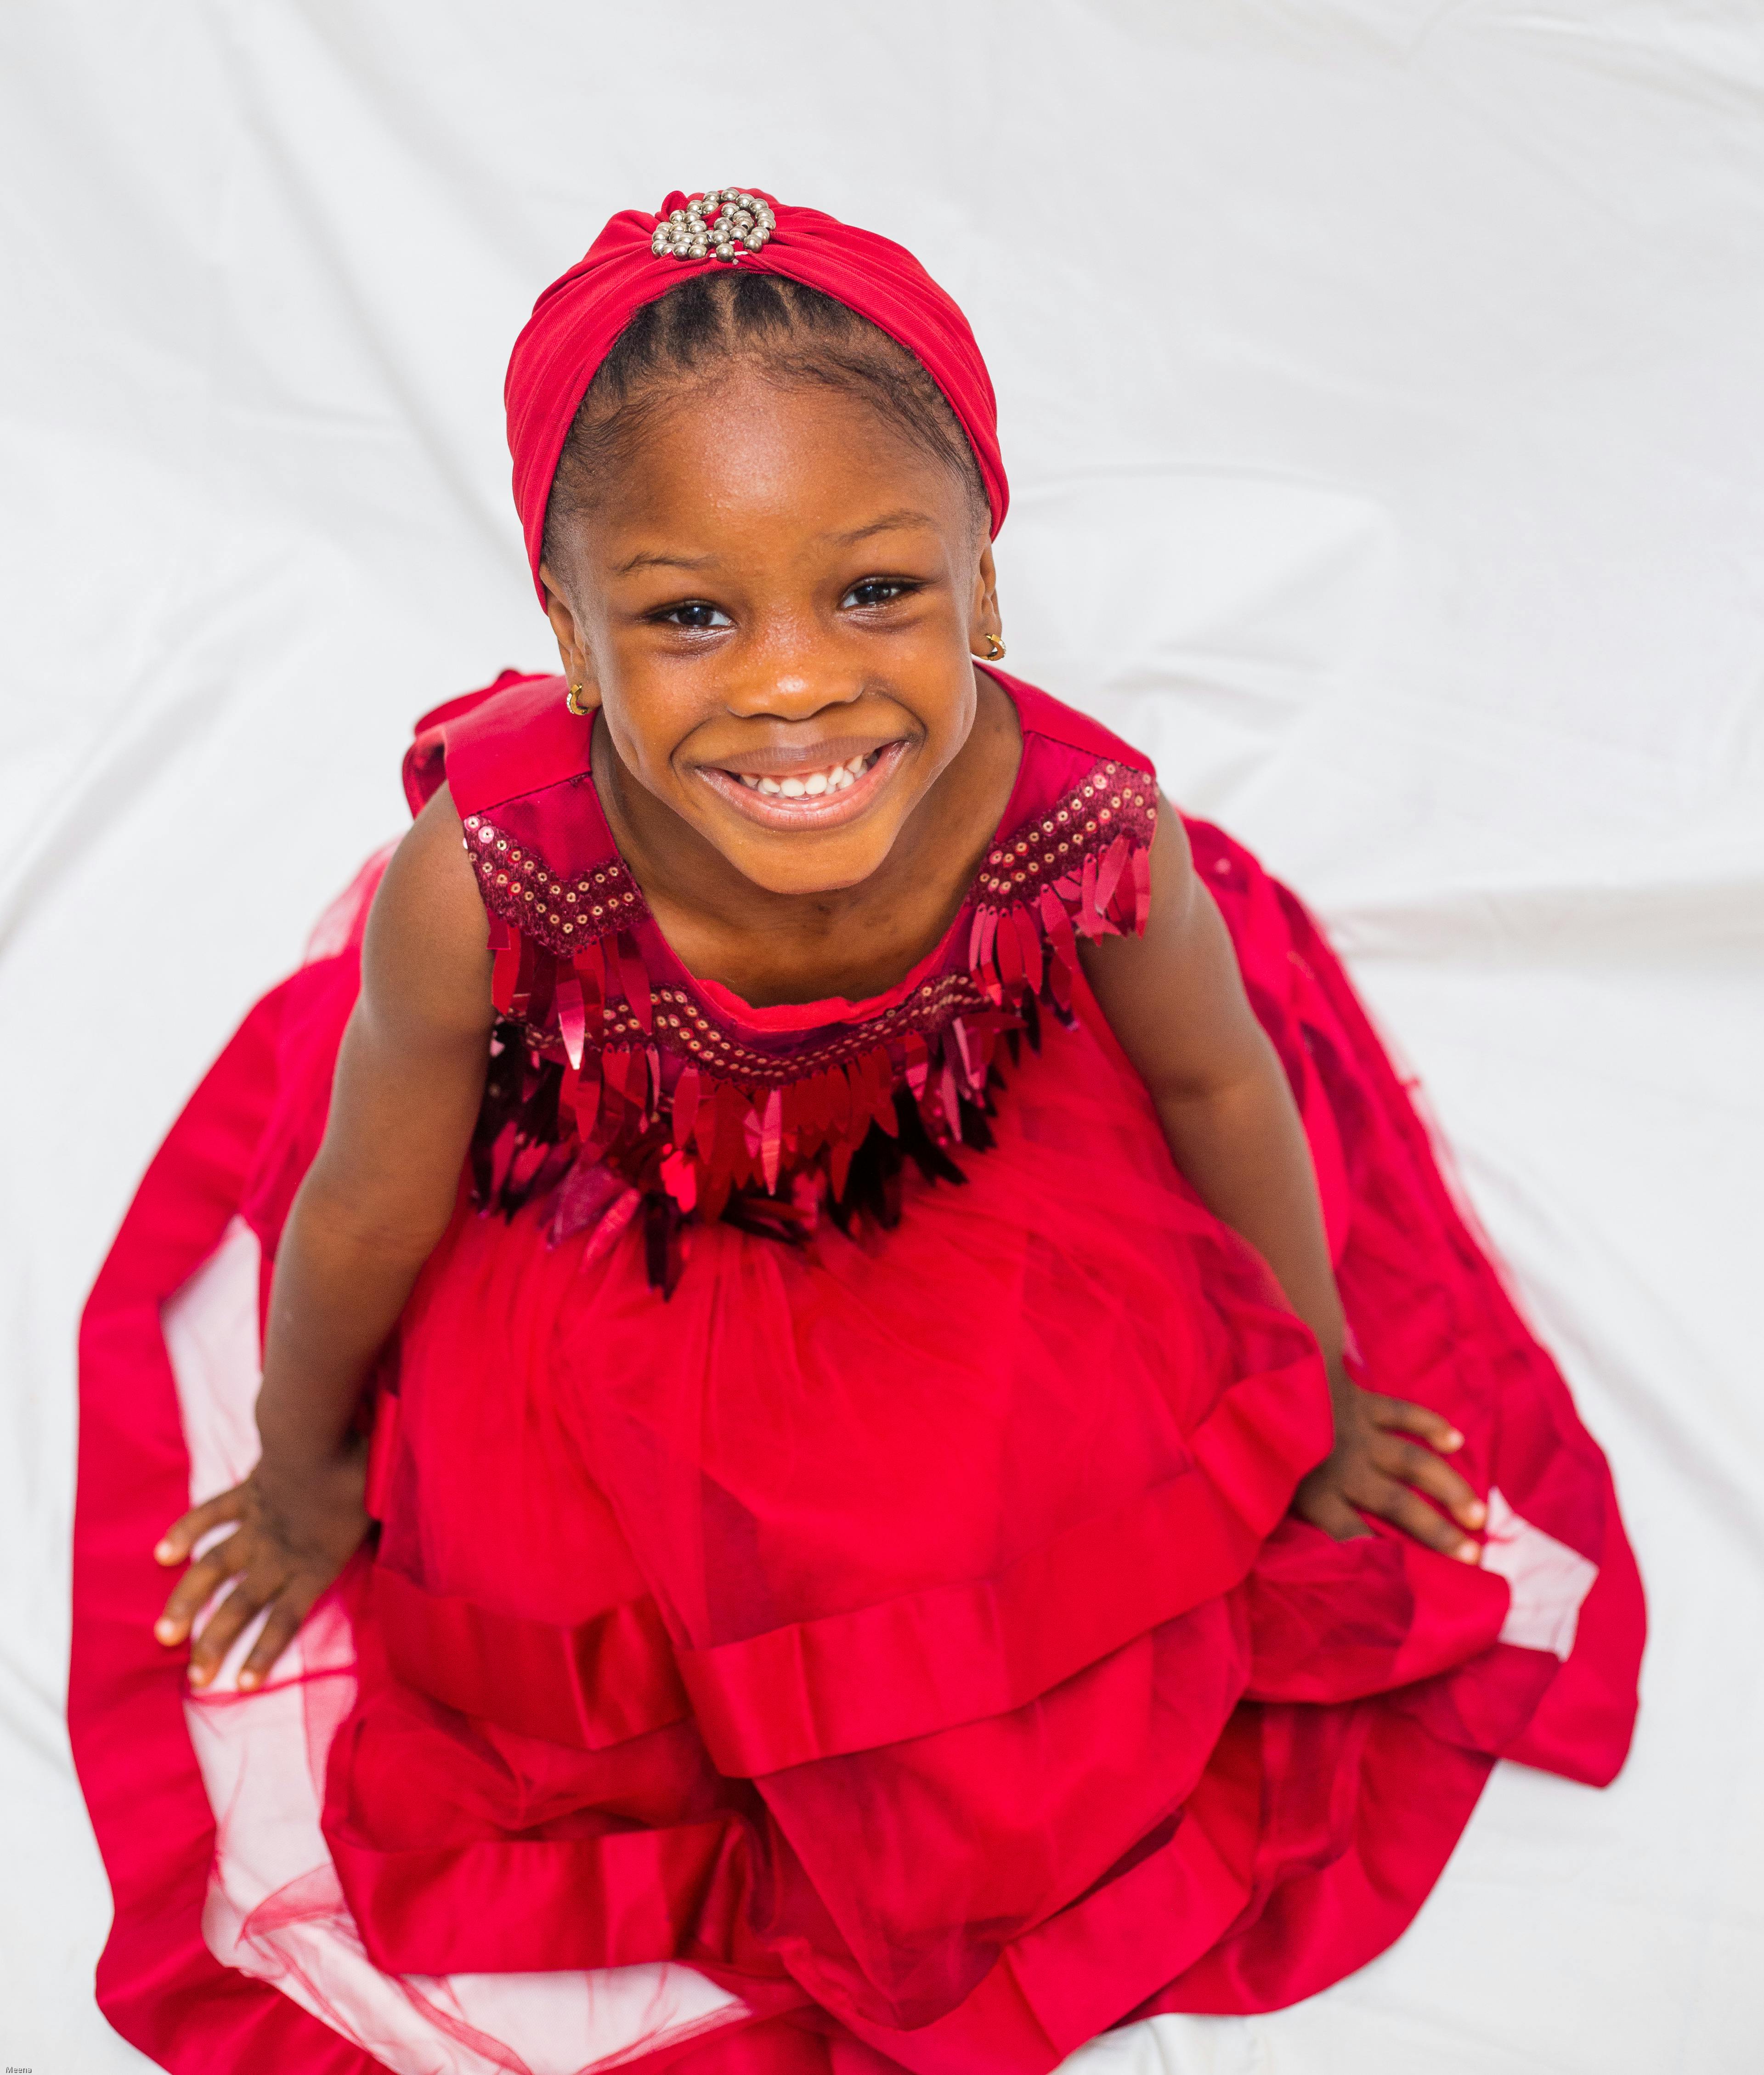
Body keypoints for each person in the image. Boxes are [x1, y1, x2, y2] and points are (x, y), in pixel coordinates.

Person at [69, 189, 1644, 2075]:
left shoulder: (1079, 819)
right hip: (610, 1213)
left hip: (960, 1163)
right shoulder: (484, 884)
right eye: (689, 615)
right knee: (595, 1610)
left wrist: (1301, 1389)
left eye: (875, 590)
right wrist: (312, 1459)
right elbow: (356, 1211)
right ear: (569, 636)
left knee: (1023, 1549)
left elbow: (1225, 1085)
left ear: (986, 585)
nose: (796, 679)